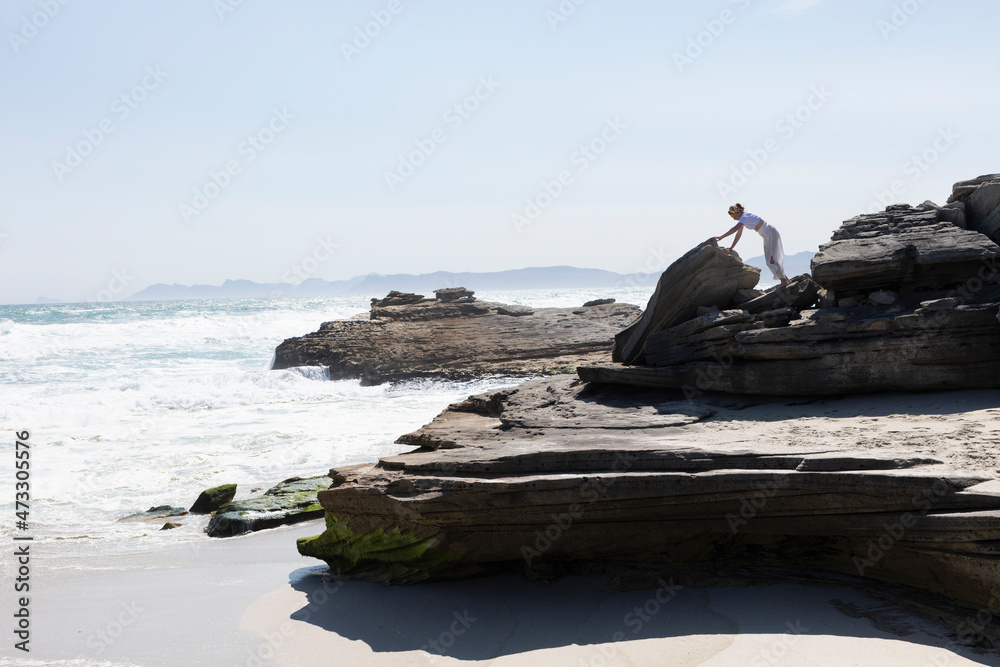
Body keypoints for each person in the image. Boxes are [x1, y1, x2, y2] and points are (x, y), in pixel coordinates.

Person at [715, 203, 790, 286]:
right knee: (771, 260)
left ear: (738, 212)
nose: (734, 219)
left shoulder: (745, 216)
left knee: (771, 260)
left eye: (734, 217)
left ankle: (784, 282)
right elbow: (738, 234)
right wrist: (732, 247)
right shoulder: (744, 217)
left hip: (769, 232)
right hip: (767, 233)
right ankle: (786, 281)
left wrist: (721, 237)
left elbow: (734, 229)